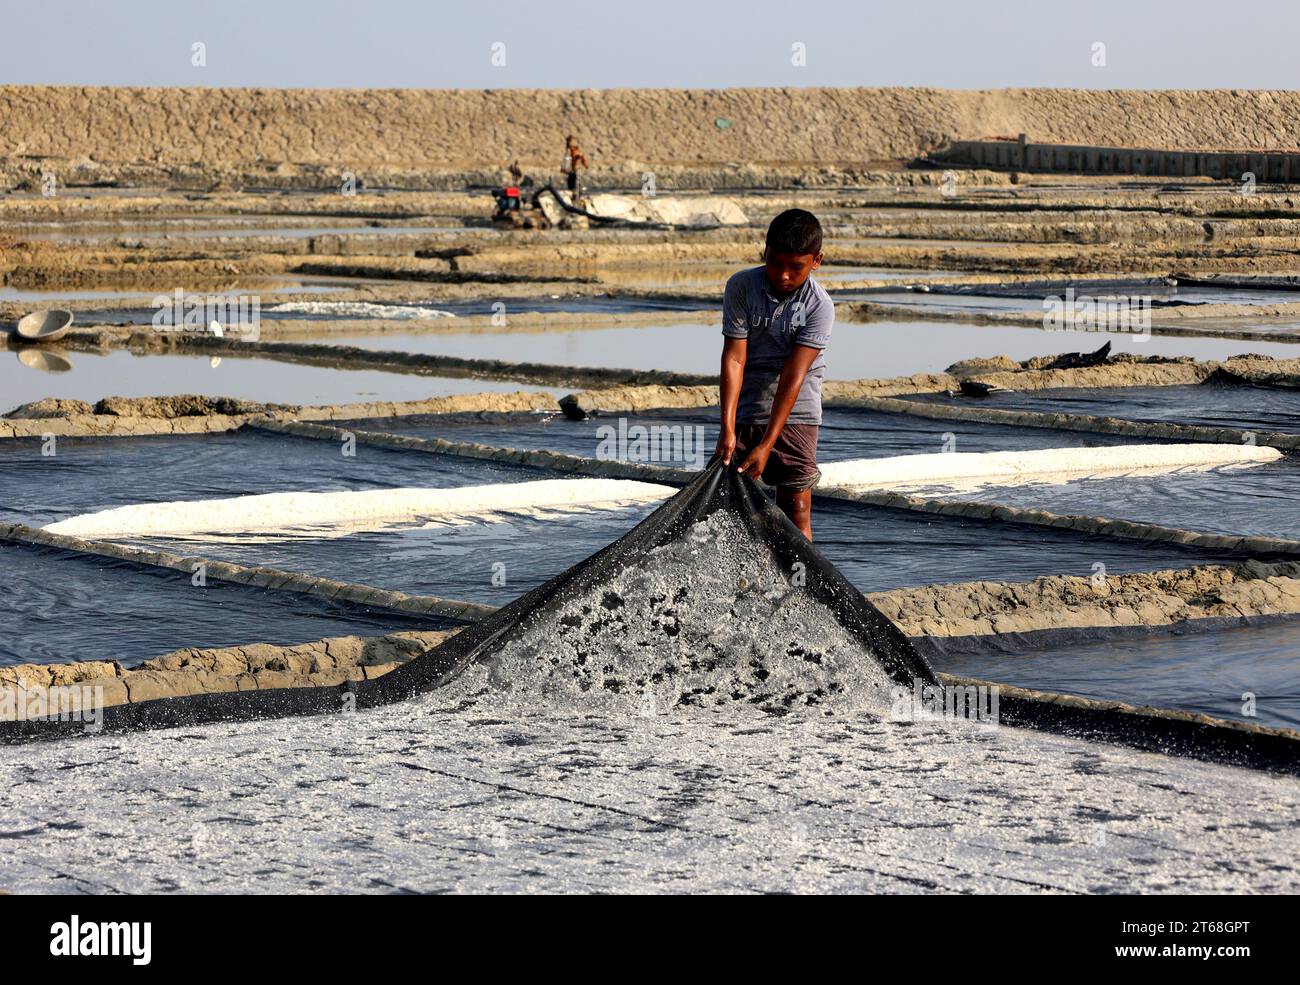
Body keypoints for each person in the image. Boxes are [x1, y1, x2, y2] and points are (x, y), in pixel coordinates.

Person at [715, 208, 831, 541]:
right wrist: (727, 427)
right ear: (764, 252)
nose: (782, 275)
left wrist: (767, 444)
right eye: (775, 263)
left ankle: (798, 586)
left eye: (796, 267)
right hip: (748, 407)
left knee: (796, 508)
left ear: (817, 260)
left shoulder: (819, 306)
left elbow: (793, 376)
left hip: (797, 413)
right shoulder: (742, 286)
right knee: (725, 504)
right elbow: (734, 359)